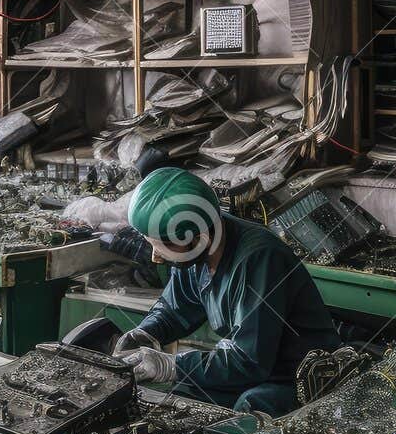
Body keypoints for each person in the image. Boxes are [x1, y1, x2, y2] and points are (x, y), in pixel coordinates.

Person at [113, 166, 340, 417]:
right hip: (251, 368)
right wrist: (147, 332)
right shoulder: (195, 250)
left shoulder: (258, 258)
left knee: (251, 409)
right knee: (175, 403)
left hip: (296, 375)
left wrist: (170, 365)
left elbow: (248, 361)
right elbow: (175, 309)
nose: (156, 258)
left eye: (160, 247)